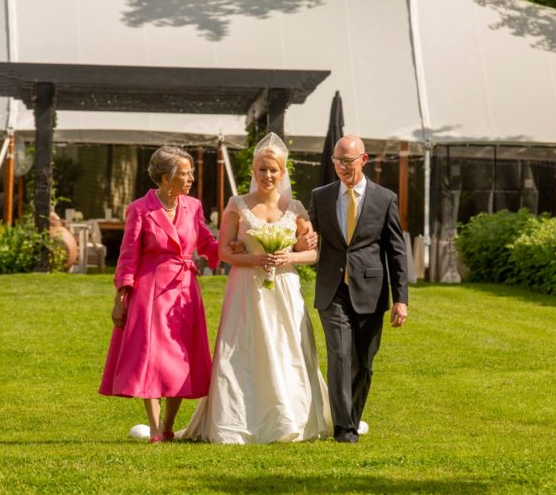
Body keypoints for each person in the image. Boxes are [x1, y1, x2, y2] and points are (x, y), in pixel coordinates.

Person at [179, 132, 332, 444]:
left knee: (286, 347)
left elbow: (312, 252)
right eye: (262, 169)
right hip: (246, 289)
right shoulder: (237, 206)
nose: (268, 175)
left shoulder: (296, 208)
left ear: (283, 172)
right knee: (243, 349)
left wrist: (289, 256)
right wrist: (253, 258)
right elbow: (223, 252)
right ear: (253, 171)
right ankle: (235, 418)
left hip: (284, 290)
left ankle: (290, 416)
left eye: (274, 169)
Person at [98, 145, 219, 443]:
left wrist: (238, 244)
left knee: (180, 357)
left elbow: (206, 244)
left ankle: (168, 425)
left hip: (185, 293)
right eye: (184, 174)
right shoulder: (139, 209)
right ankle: (154, 430)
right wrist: (120, 299)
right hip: (149, 293)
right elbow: (127, 257)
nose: (190, 179)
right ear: (166, 178)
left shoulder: (194, 206)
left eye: (191, 173)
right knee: (152, 358)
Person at [309, 135, 408, 444]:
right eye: (337, 161)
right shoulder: (321, 196)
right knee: (338, 355)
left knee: (363, 363)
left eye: (347, 161)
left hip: (371, 292)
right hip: (332, 290)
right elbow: (306, 236)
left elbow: (397, 251)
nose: (341, 167)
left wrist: (400, 299)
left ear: (364, 160)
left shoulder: (385, 198)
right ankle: (344, 429)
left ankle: (351, 415)